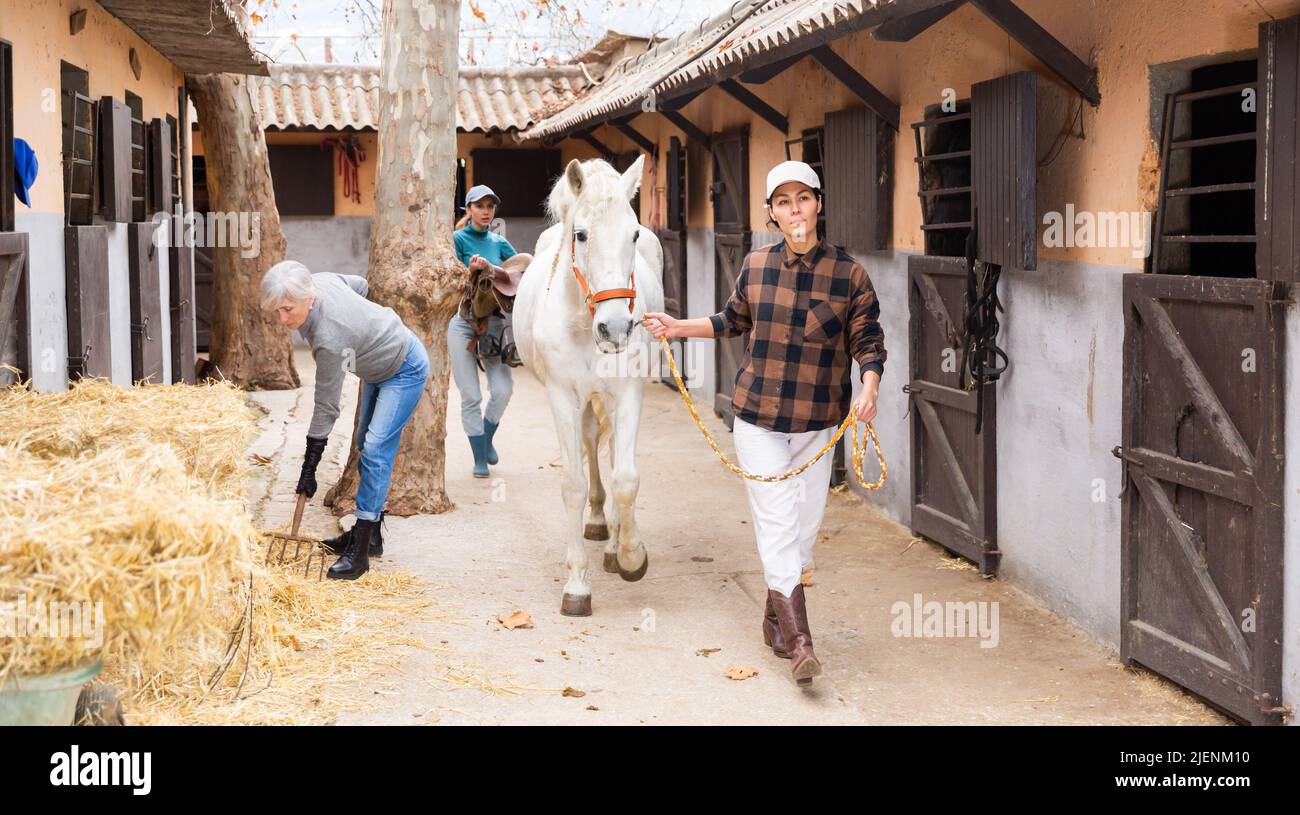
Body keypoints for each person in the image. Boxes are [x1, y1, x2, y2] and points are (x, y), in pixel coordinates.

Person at [644, 160, 887, 685]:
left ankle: (776, 615)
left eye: (802, 198)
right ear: (772, 214)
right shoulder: (756, 266)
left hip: (819, 423)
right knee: (777, 522)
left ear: (818, 204)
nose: (794, 210)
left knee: (802, 533)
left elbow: (869, 342)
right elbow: (732, 321)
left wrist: (869, 388)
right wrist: (677, 325)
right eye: (783, 202)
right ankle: (802, 644)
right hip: (757, 419)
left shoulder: (850, 275)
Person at [260, 260, 429, 581]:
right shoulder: (319, 279)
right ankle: (372, 537)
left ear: (309, 299)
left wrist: (309, 468)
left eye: (287, 309)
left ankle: (360, 552)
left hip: (405, 368)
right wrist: (366, 327)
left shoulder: (329, 338)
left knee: (376, 448)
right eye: (276, 311)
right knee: (365, 444)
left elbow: (326, 406)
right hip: (377, 370)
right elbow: (360, 286)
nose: (282, 319)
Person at [448, 184, 526, 478]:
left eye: (490, 206)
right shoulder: (457, 239)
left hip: (493, 324)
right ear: (468, 210)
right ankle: (478, 458)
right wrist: (469, 270)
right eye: (479, 206)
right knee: (470, 395)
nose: (485, 211)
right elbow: (450, 276)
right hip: (463, 323)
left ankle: (487, 439)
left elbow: (518, 275)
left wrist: (497, 269)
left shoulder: (499, 242)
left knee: (503, 390)